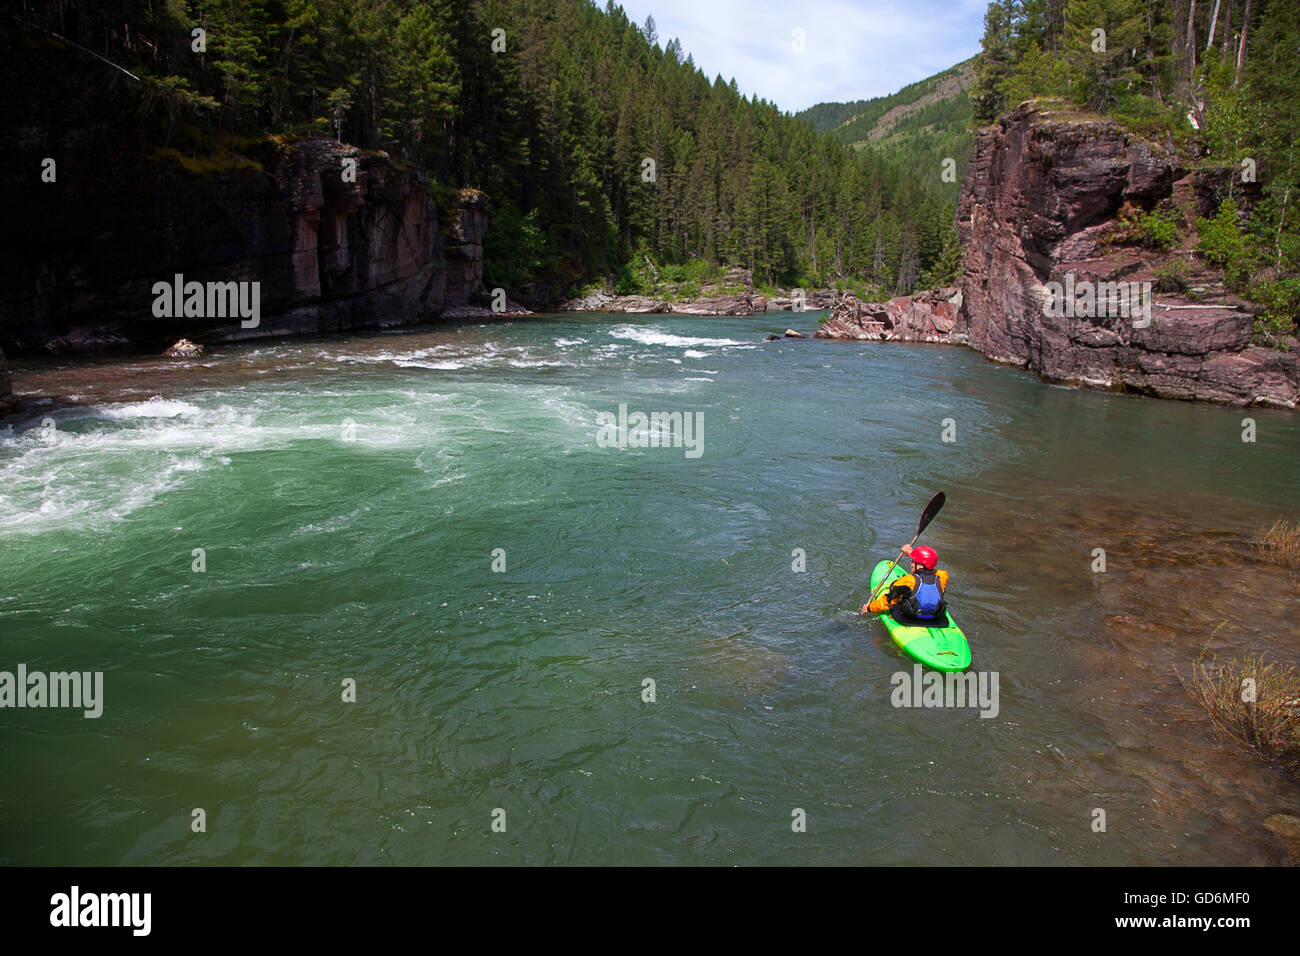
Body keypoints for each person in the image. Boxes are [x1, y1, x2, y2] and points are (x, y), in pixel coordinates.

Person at [863, 544, 949, 623]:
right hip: (935, 618)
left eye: (912, 561)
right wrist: (912, 553)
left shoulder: (907, 581)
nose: (910, 563)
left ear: (920, 565)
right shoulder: (943, 577)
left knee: (896, 599)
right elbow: (931, 565)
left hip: (910, 618)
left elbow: (887, 602)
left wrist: (869, 608)